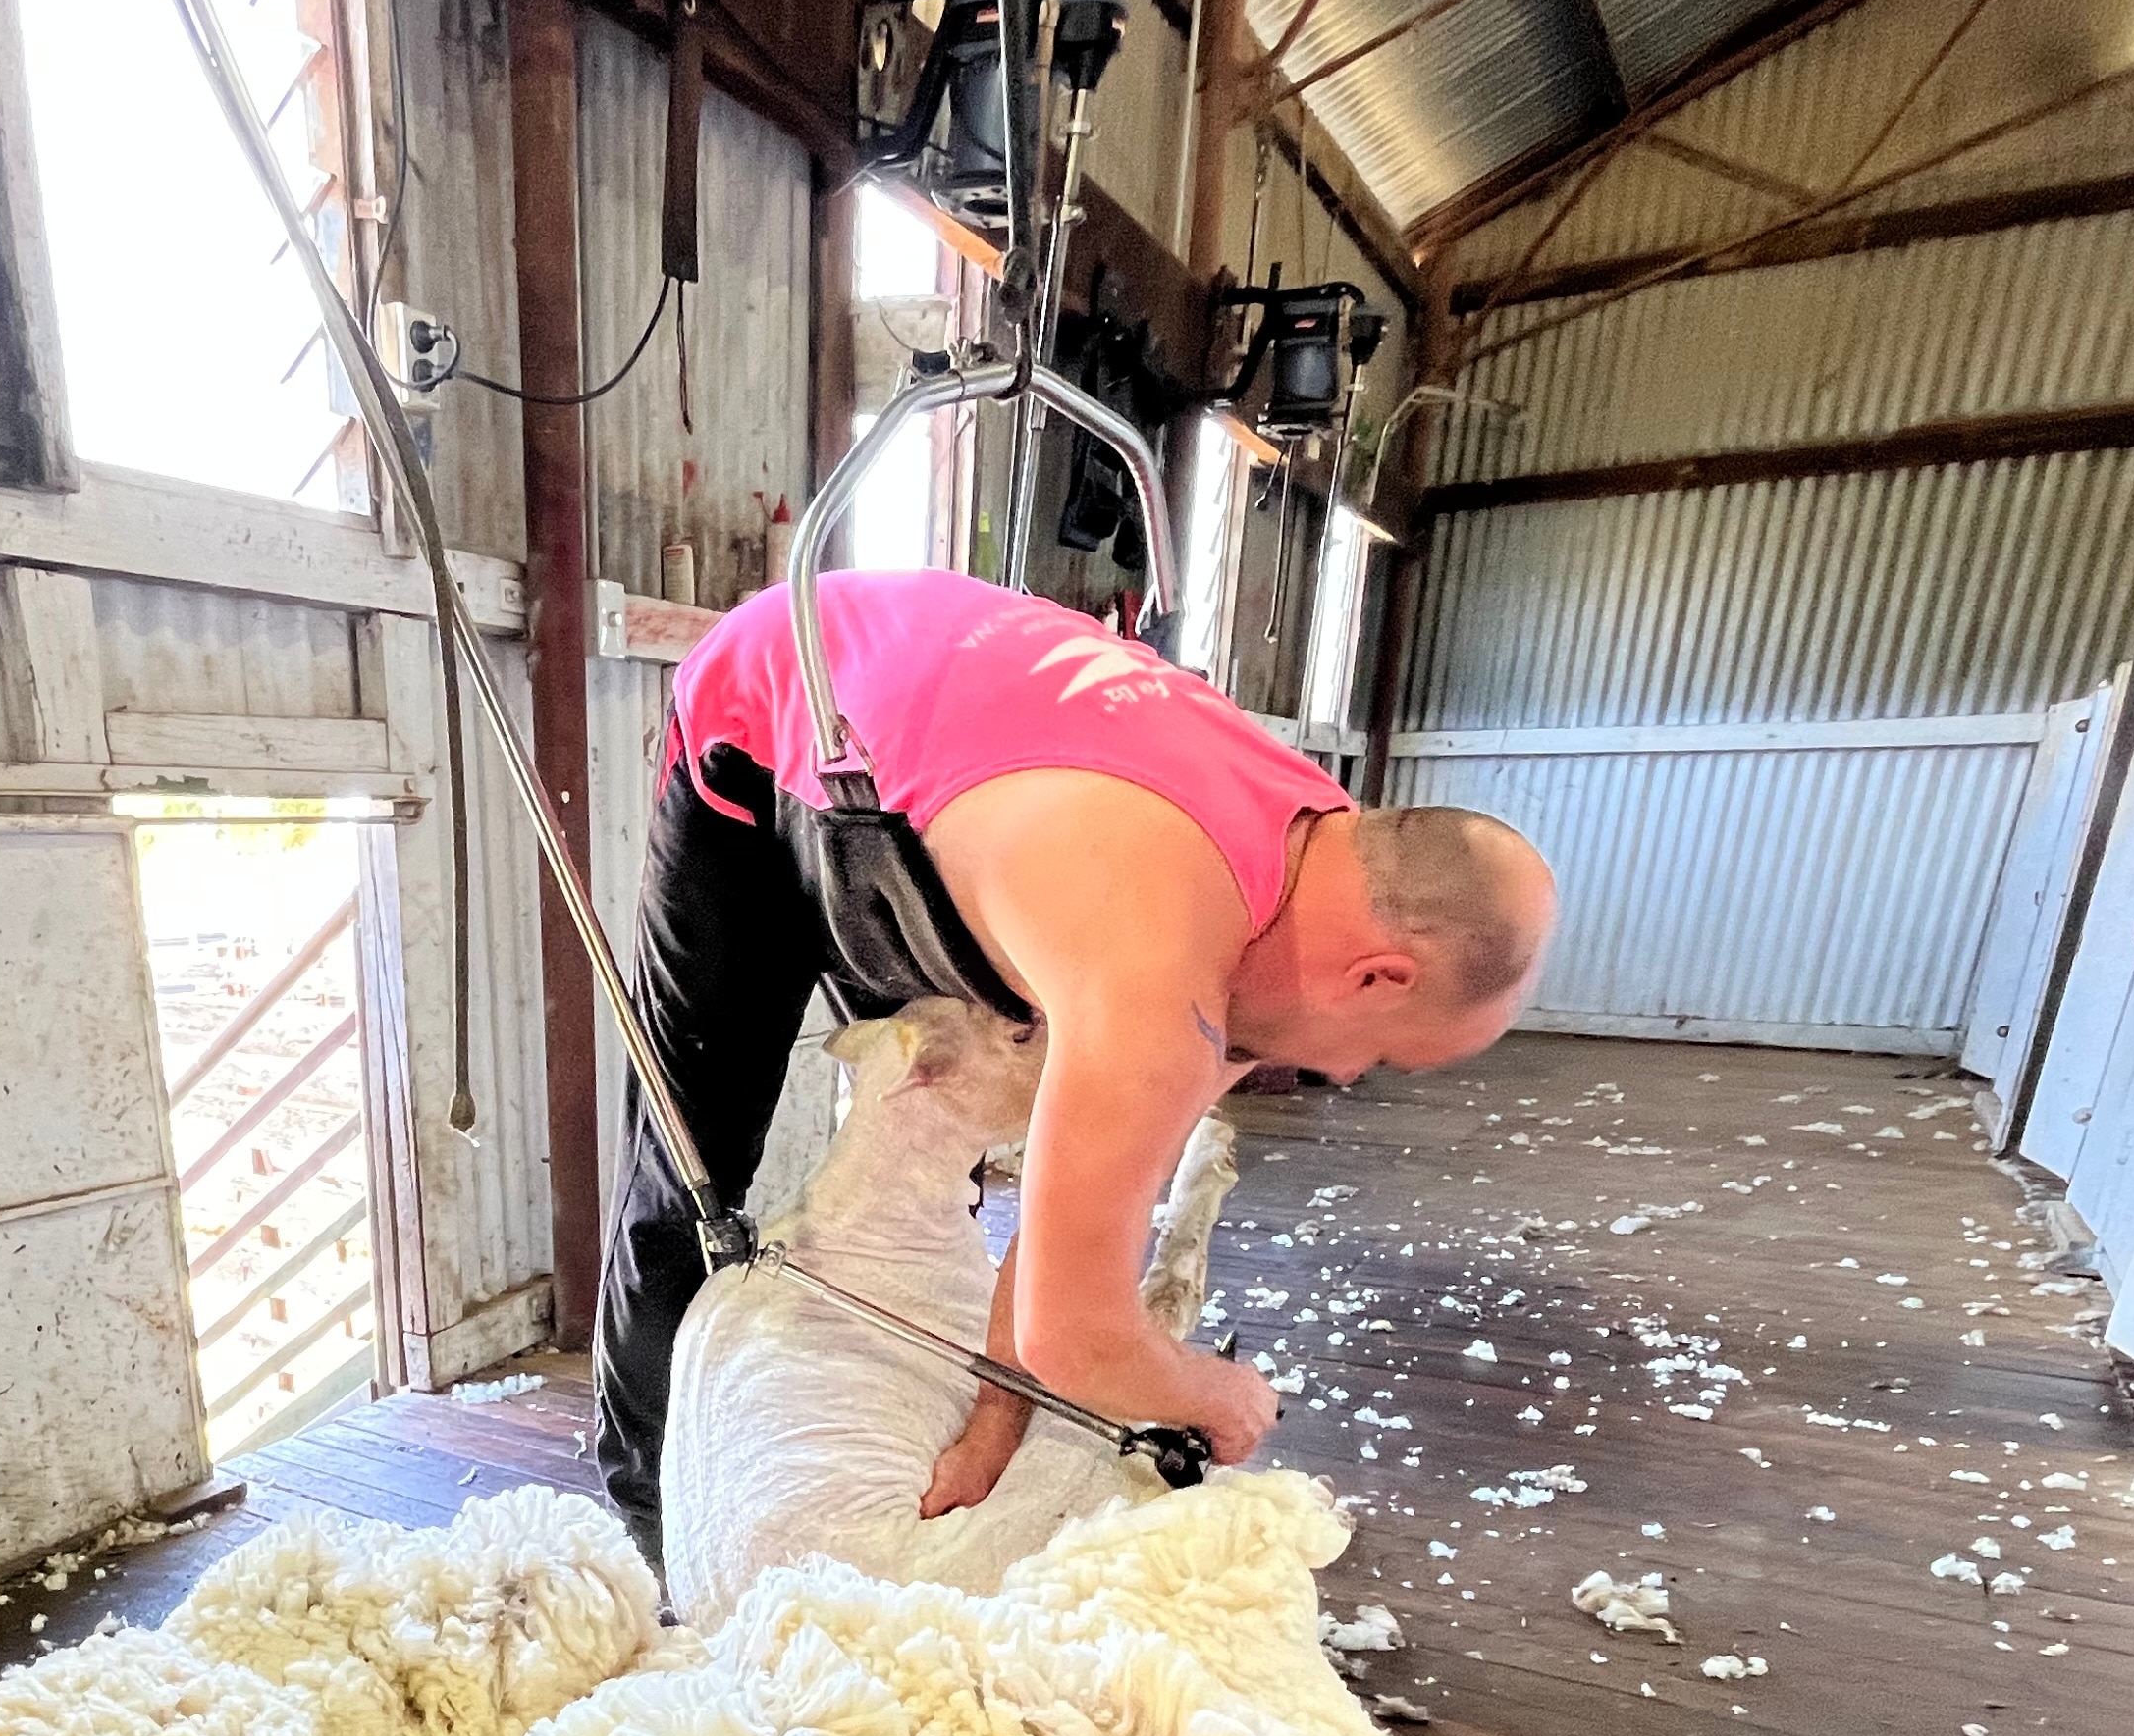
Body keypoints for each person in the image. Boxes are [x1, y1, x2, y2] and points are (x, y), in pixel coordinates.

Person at [594, 564, 1556, 1568]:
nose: (1353, 1078)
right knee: (692, 1165)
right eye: (1387, 1057)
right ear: (1377, 977)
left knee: (944, 1139)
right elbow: (1078, 1338)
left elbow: (1075, 1246)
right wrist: (1212, 1392)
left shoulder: (1324, 866)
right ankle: (652, 1536)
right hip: (771, 704)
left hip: (942, 745)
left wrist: (991, 1435)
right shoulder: (1161, 968)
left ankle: (903, 1409)